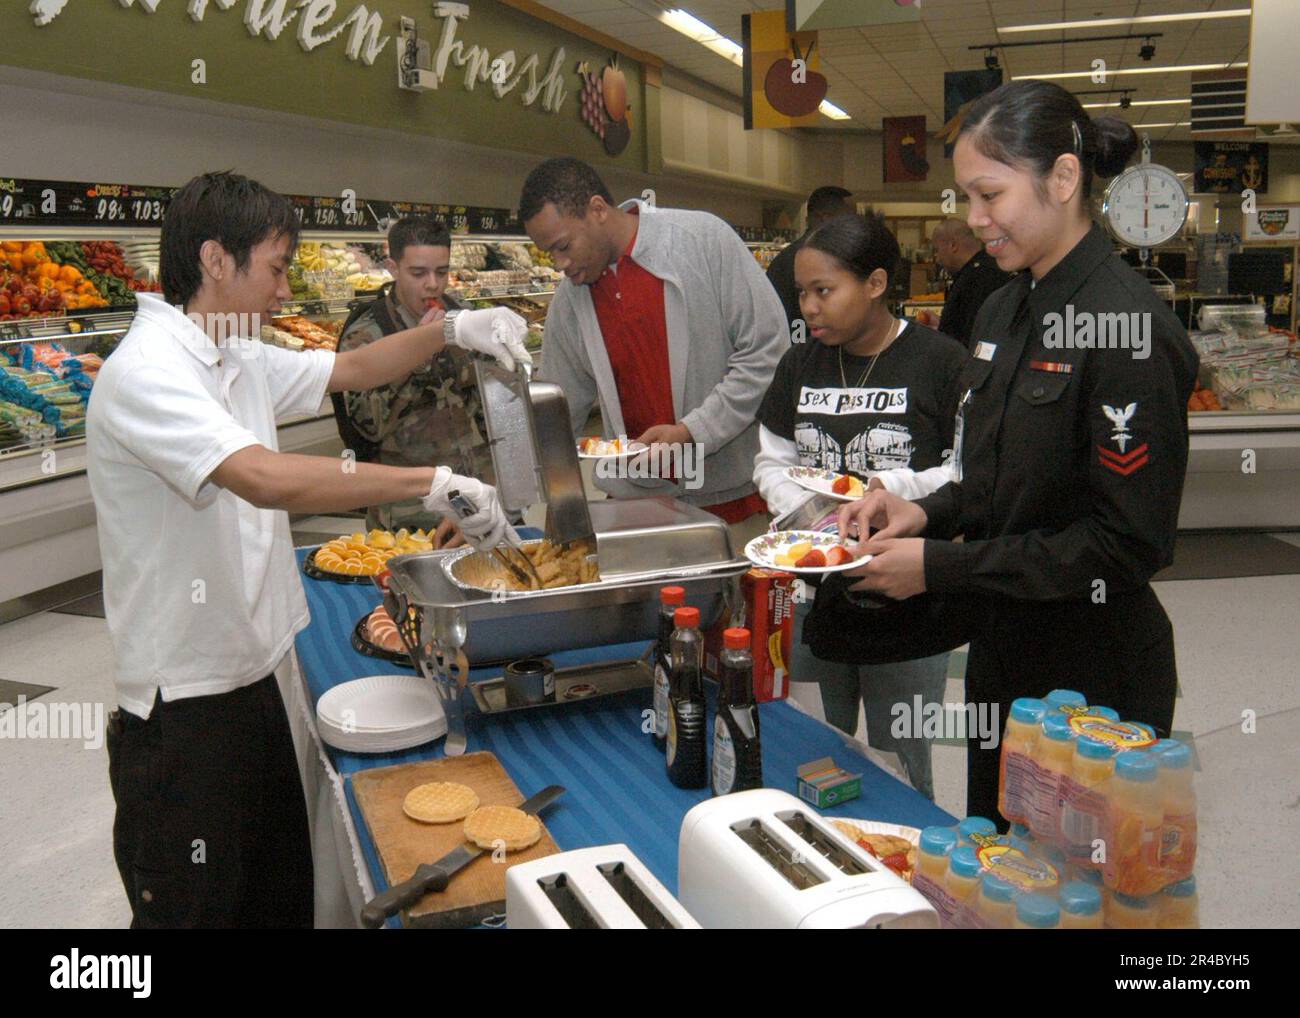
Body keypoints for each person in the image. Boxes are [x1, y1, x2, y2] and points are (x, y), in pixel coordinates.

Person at [87, 171, 528, 928]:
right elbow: (261, 476)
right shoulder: (147, 373)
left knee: (275, 898)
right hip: (182, 709)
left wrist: (453, 329)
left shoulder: (235, 352)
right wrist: (433, 481)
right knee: (197, 911)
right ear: (216, 261)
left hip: (254, 676)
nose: (285, 291)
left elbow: (353, 367)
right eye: (276, 267)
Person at [839, 81, 1199, 826]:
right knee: (997, 862)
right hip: (1005, 654)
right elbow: (998, 476)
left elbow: (1125, 543)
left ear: (1063, 179)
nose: (973, 220)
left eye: (989, 195)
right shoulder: (1006, 306)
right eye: (965, 198)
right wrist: (922, 511)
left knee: (1075, 894)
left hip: (1094, 679)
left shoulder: (1128, 329)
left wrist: (942, 566)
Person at [753, 212, 967, 799]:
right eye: (801, 292)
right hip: (812, 592)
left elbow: (964, 470)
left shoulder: (941, 362)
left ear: (875, 284)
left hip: (905, 597)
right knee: (816, 749)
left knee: (902, 757)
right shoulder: (799, 365)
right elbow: (771, 460)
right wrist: (815, 514)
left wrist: (891, 493)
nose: (809, 308)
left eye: (824, 291)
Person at [520, 157, 789, 539]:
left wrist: (694, 430)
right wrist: (511, 500)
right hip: (632, 510)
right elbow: (557, 410)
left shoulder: (703, 242)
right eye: (549, 253)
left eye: (564, 246)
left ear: (597, 210)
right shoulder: (570, 301)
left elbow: (767, 350)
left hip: (730, 503)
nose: (560, 264)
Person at [334, 215, 494, 542]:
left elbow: (486, 405)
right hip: (408, 515)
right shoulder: (368, 332)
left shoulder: (461, 316)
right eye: (418, 273)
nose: (433, 284)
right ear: (393, 268)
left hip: (472, 501)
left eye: (442, 271)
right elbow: (369, 425)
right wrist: (417, 352)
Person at [766, 185, 856, 331]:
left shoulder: (830, 253)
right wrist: (801, 349)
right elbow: (793, 319)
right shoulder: (799, 258)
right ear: (825, 218)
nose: (853, 225)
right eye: (849, 218)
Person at [932, 218, 1013, 350]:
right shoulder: (980, 271)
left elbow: (973, 335)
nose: (937, 257)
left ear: (952, 246)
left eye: (937, 249)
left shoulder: (978, 278)